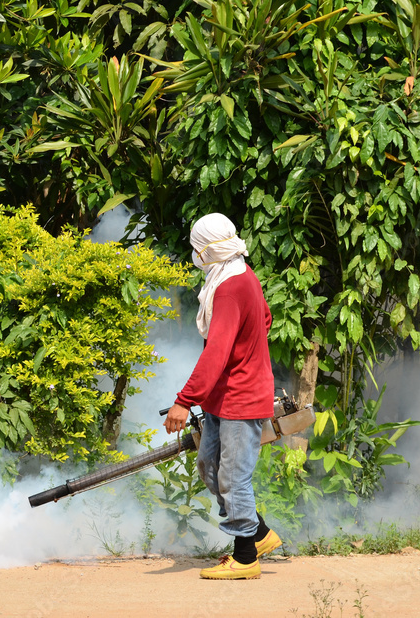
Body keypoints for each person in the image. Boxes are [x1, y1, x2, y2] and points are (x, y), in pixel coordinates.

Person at [163, 213, 283, 580]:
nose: (196, 255)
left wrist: (184, 400)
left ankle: (246, 557)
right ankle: (259, 533)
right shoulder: (237, 274)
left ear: (210, 249)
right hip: (224, 394)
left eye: (199, 249)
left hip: (241, 397)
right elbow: (265, 319)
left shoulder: (231, 286)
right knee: (209, 467)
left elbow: (216, 350)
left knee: (232, 477)